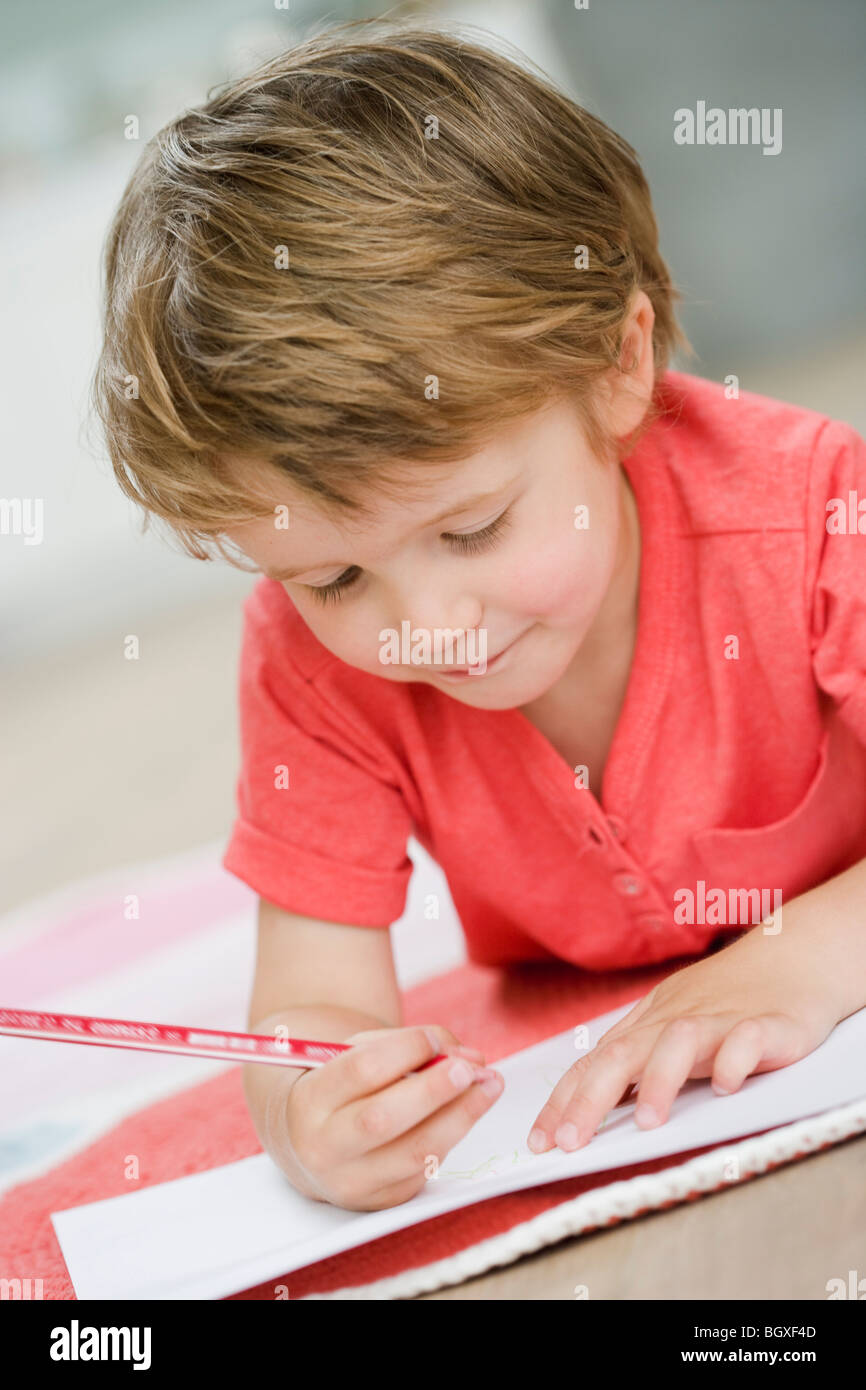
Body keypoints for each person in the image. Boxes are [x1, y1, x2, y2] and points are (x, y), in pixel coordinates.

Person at [91, 20, 866, 1212]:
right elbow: (310, 999)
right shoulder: (304, 659)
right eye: (337, 579)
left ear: (618, 366)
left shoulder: (811, 511)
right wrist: (315, 1106)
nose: (424, 629)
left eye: (470, 530)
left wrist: (804, 954)